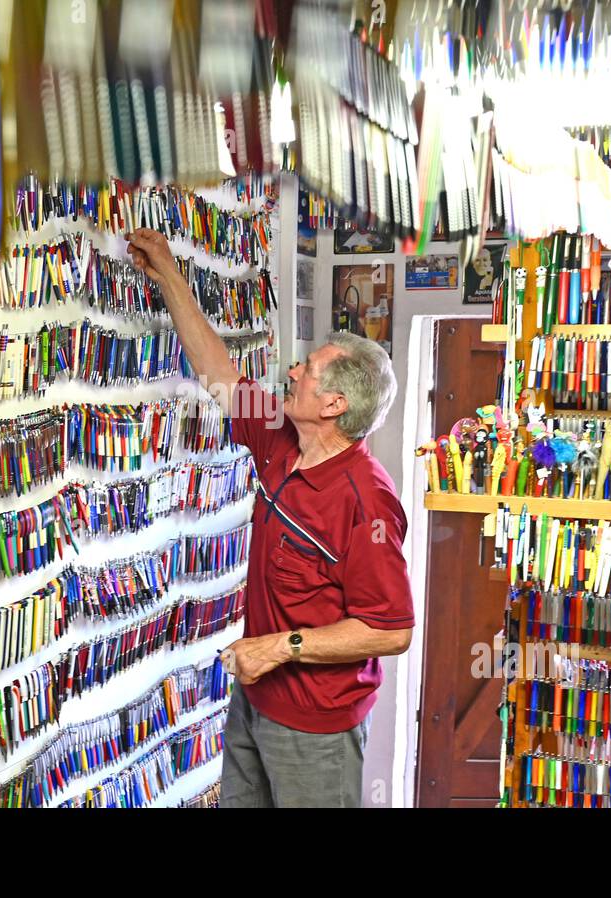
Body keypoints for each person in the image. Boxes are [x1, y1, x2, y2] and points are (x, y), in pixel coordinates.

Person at [126, 228, 415, 809]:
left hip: (316, 727)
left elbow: (391, 629)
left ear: (333, 405)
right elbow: (219, 373)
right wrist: (169, 276)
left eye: (305, 371)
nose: (290, 373)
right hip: (254, 702)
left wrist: (279, 648)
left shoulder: (366, 501)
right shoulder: (283, 438)